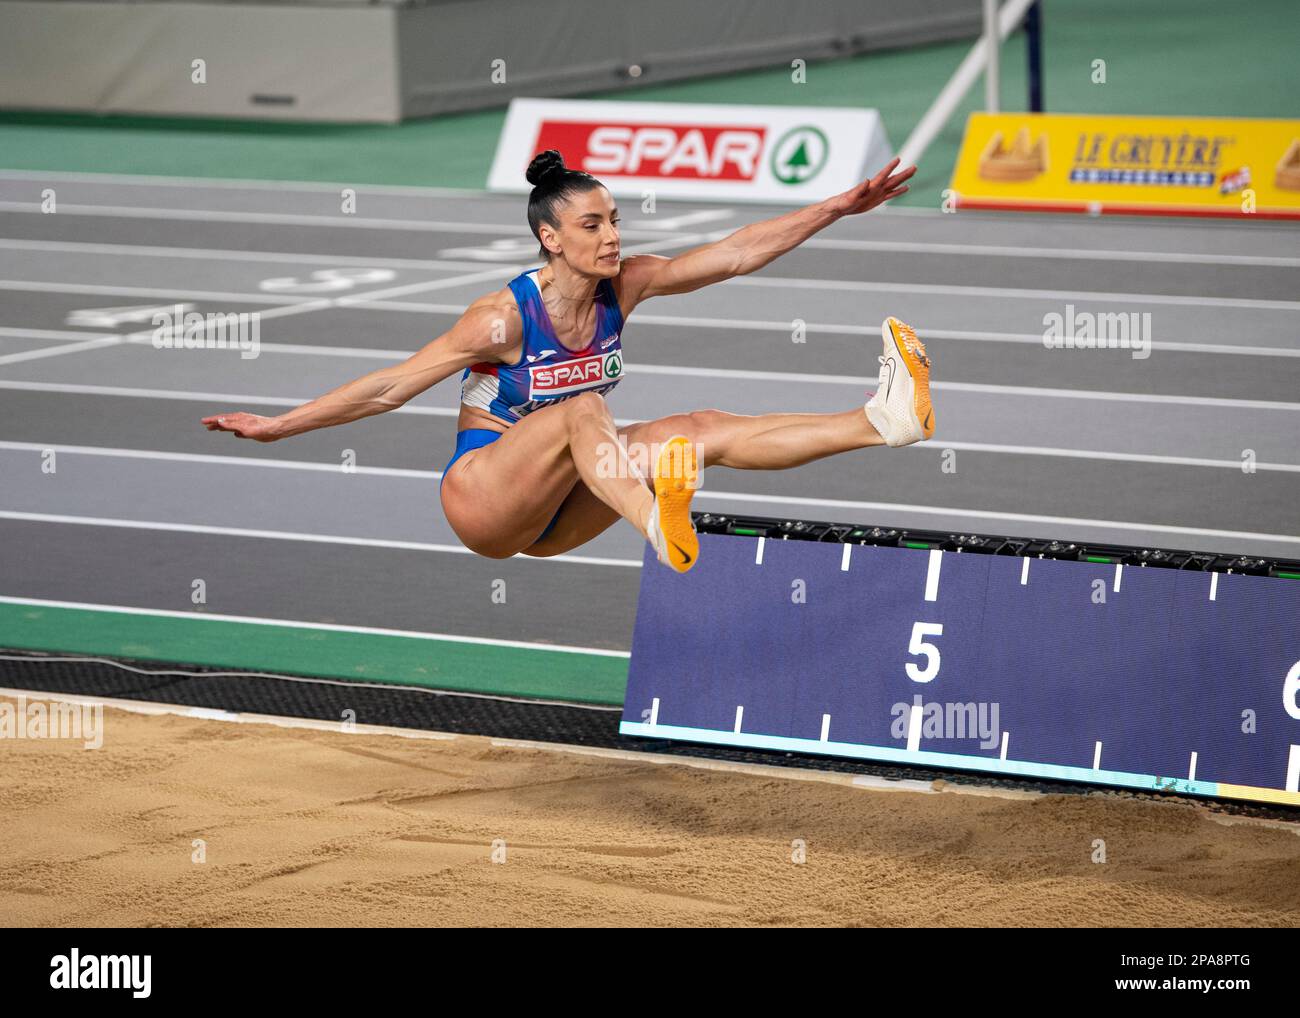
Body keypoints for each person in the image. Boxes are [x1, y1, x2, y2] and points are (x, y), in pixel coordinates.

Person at [202, 149, 931, 573]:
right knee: (585, 408)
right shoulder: (501, 316)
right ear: (551, 239)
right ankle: (660, 526)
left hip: (566, 507)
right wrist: (279, 426)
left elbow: (736, 253)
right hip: (484, 499)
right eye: (593, 224)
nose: (612, 236)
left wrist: (836, 206)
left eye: (615, 219)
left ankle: (882, 420)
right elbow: (391, 388)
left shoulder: (628, 284)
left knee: (697, 427)